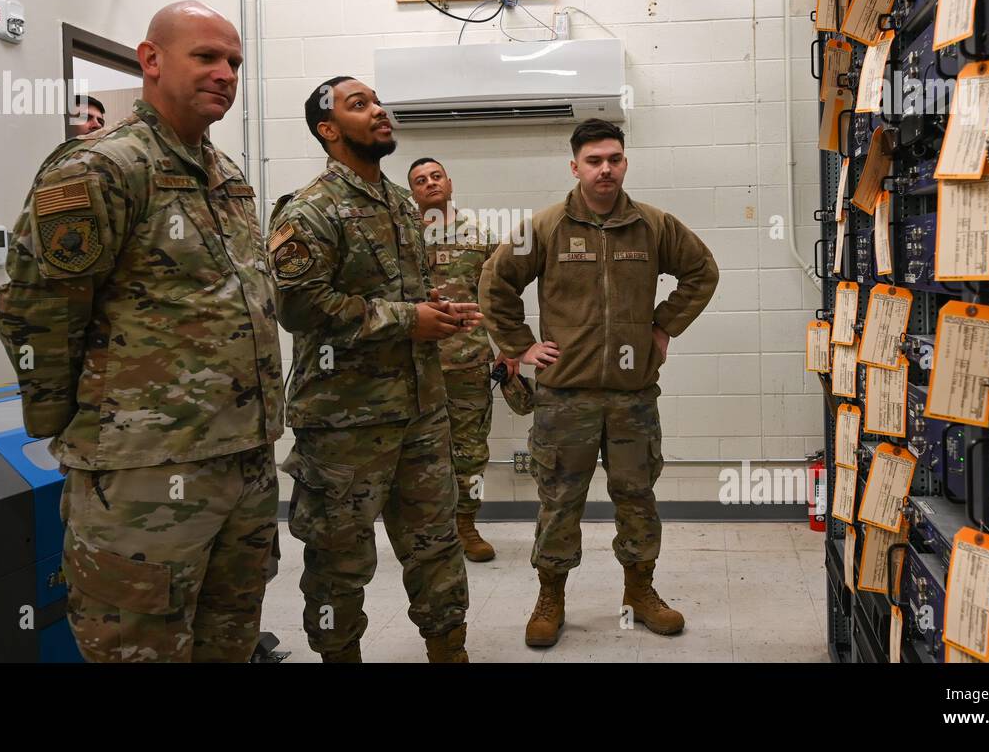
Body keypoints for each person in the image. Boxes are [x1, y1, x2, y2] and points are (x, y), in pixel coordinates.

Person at [0, 0, 285, 663]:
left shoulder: (226, 176)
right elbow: (37, 310)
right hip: (144, 472)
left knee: (229, 645)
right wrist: (74, 423)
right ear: (150, 60)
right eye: (206, 56)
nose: (224, 73)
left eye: (234, 62)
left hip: (241, 463)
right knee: (139, 648)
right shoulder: (101, 168)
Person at [478, 118, 719, 648]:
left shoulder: (653, 226)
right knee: (559, 502)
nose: (604, 168)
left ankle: (640, 592)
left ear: (625, 162)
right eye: (593, 160)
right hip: (566, 399)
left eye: (613, 158)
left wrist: (663, 324)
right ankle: (551, 597)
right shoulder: (544, 227)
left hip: (633, 397)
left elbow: (702, 272)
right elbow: (495, 283)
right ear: (575, 167)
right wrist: (519, 345)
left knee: (637, 498)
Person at [269, 77, 478, 663]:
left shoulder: (401, 204)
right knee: (339, 560)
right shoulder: (310, 209)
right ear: (328, 131)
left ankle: (449, 652)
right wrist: (407, 318)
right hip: (344, 424)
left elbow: (401, 297)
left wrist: (436, 310)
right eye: (359, 104)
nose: (379, 109)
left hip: (420, 412)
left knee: (436, 548)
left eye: (377, 100)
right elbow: (299, 306)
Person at [407, 156, 519, 562]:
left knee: (469, 451)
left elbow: (499, 296)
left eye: (436, 176)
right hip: (414, 365)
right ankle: (427, 531)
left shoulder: (480, 235)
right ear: (413, 191)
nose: (430, 183)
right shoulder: (402, 238)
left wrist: (508, 347)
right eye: (420, 180)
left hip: (469, 363)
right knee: (419, 452)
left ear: (449, 183)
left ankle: (466, 525)